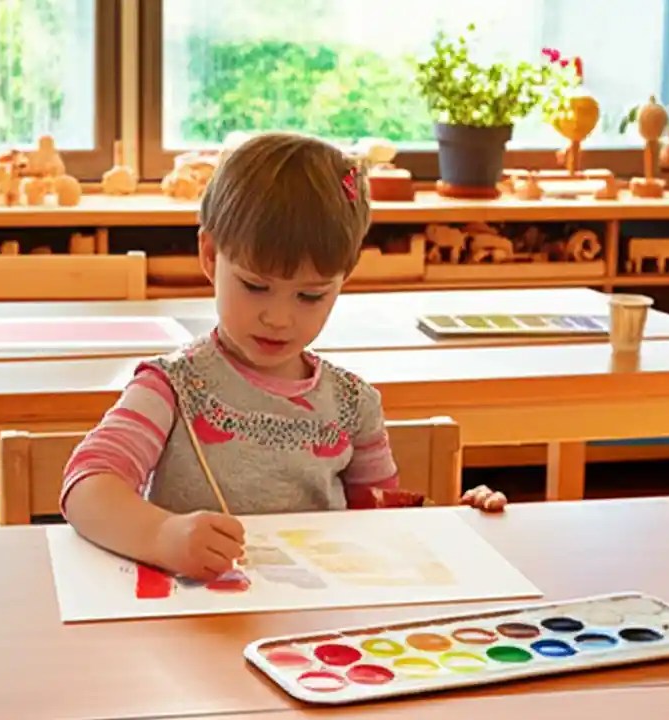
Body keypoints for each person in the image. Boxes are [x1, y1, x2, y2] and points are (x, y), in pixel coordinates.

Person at [60, 131, 502, 583]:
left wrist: (450, 522)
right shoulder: (172, 386)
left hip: (313, 630)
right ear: (211, 256)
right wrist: (163, 536)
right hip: (197, 625)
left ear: (342, 280)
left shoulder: (353, 404)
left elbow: (377, 523)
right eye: (256, 286)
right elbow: (87, 485)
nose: (278, 318)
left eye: (310, 295)